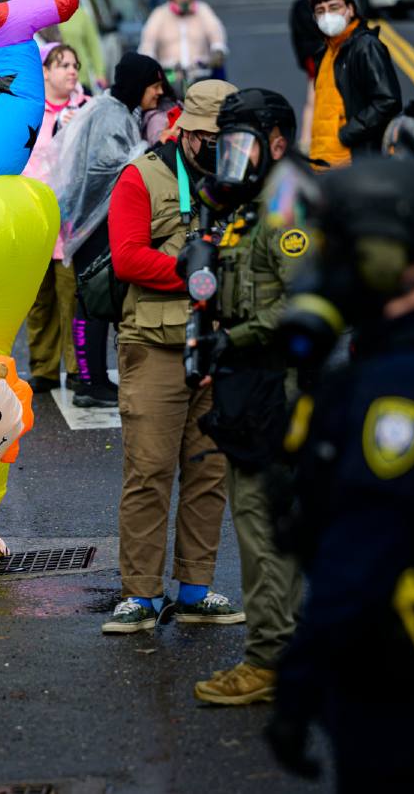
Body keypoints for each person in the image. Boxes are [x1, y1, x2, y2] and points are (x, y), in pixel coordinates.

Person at [263, 157, 414, 791]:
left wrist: (297, 687)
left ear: (398, 254)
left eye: (343, 249)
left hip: (403, 674)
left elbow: (363, 548)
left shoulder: (404, 382)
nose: (330, 267)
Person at [101, 78, 247, 634]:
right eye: (207, 136)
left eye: (224, 138)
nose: (216, 147)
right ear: (182, 126)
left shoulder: (240, 178)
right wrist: (200, 276)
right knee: (149, 472)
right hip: (155, 346)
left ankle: (194, 589)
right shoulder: (141, 176)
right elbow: (128, 259)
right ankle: (139, 596)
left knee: (209, 472)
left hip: (219, 346)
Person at [178, 88, 305, 703]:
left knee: (260, 527)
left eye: (241, 142)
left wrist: (237, 339)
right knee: (270, 524)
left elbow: (302, 303)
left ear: (276, 143)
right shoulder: (248, 205)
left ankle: (268, 661)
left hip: (274, 386)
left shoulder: (286, 202)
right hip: (248, 384)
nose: (228, 154)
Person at [50, 52, 166, 408]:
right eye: (155, 85)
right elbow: (106, 166)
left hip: (90, 222)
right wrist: (151, 152)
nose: (159, 92)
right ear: (138, 85)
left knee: (91, 301)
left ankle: (92, 381)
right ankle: (91, 383)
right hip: (95, 224)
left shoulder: (112, 108)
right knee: (94, 301)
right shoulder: (110, 113)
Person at [24, 43, 91, 393]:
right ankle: (44, 368)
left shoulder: (86, 108)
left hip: (72, 224)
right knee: (40, 300)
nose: (71, 71)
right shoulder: (31, 112)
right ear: (45, 71)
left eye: (75, 64)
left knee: (73, 297)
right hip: (37, 220)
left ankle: (77, 365)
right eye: (62, 64)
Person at [307, 0, 402, 170]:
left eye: (334, 7)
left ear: (350, 10)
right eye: (320, 11)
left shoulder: (366, 46)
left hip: (352, 162)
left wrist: (348, 133)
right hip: (323, 160)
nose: (327, 15)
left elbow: (388, 100)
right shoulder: (324, 53)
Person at [138, 0, 228, 92]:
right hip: (170, 75)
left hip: (200, 74)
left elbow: (216, 32)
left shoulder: (203, 10)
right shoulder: (159, 14)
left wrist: (218, 50)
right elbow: (147, 44)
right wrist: (149, 62)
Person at [289, 0, 326, 151]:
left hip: (332, 56)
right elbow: (301, 36)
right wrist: (305, 59)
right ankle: (306, 140)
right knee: (313, 98)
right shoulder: (301, 6)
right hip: (314, 57)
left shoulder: (328, 3)